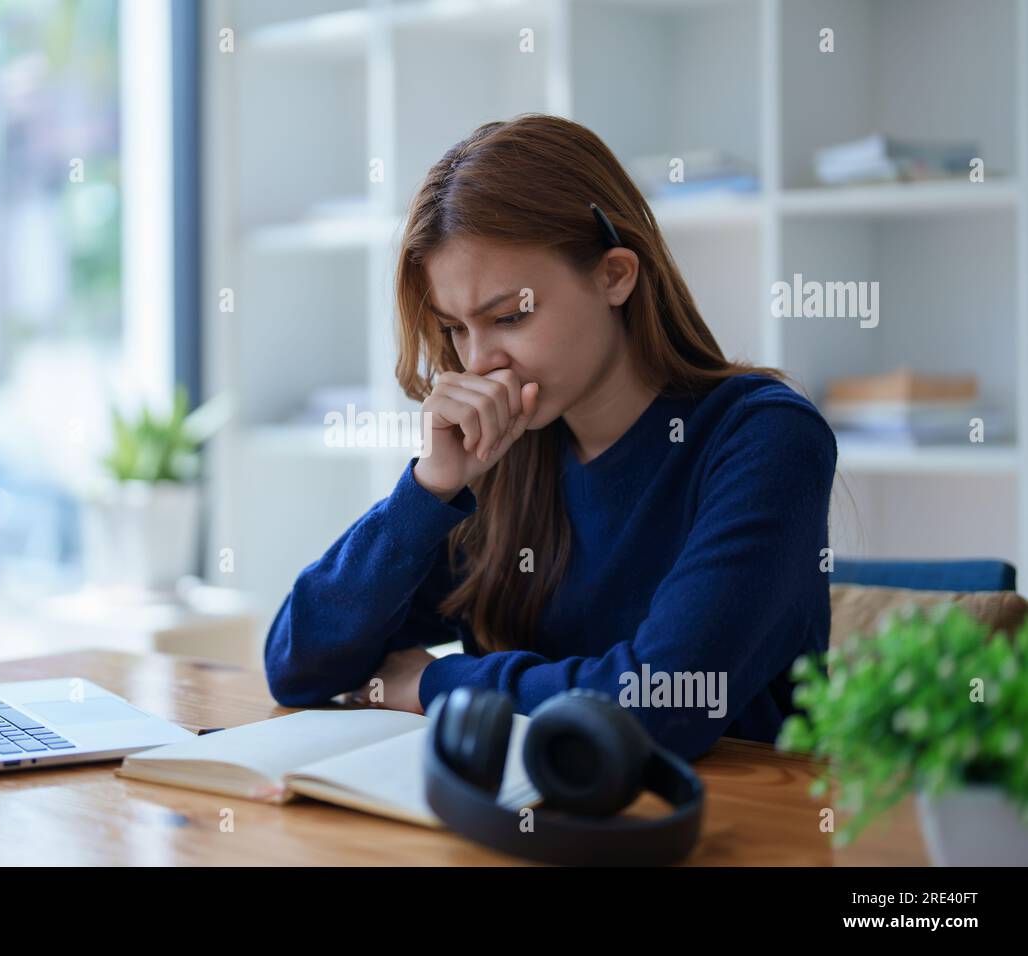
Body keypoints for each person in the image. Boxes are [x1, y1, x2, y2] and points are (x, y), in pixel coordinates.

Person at [263, 113, 838, 761]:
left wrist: (434, 683)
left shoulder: (764, 437)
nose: (479, 362)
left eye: (509, 316)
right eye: (455, 327)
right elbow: (298, 665)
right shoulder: (502, 450)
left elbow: (660, 705)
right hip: (513, 825)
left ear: (615, 275)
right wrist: (425, 492)